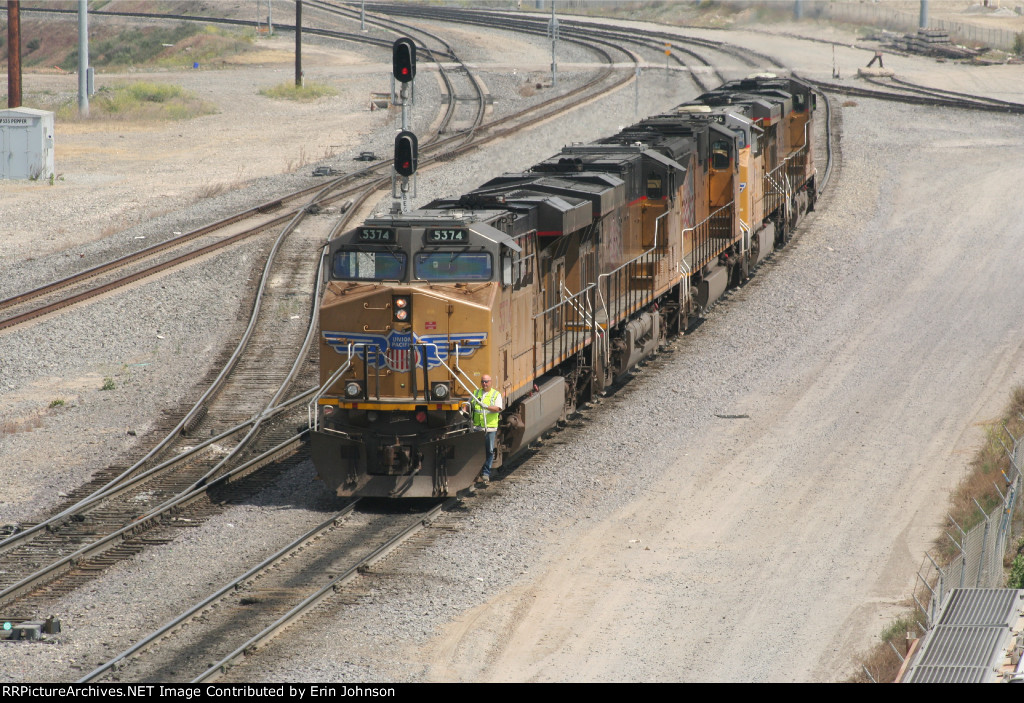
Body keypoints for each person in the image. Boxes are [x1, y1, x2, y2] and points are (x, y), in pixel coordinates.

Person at [470, 375, 502, 485]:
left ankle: (486, 473)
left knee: (489, 451)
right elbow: (469, 404)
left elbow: (498, 408)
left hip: (490, 428)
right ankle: (475, 472)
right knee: (476, 451)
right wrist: (463, 410)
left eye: (486, 382)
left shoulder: (496, 394)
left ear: (490, 382)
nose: (484, 384)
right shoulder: (476, 393)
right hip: (477, 427)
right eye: (483, 382)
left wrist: (486, 406)